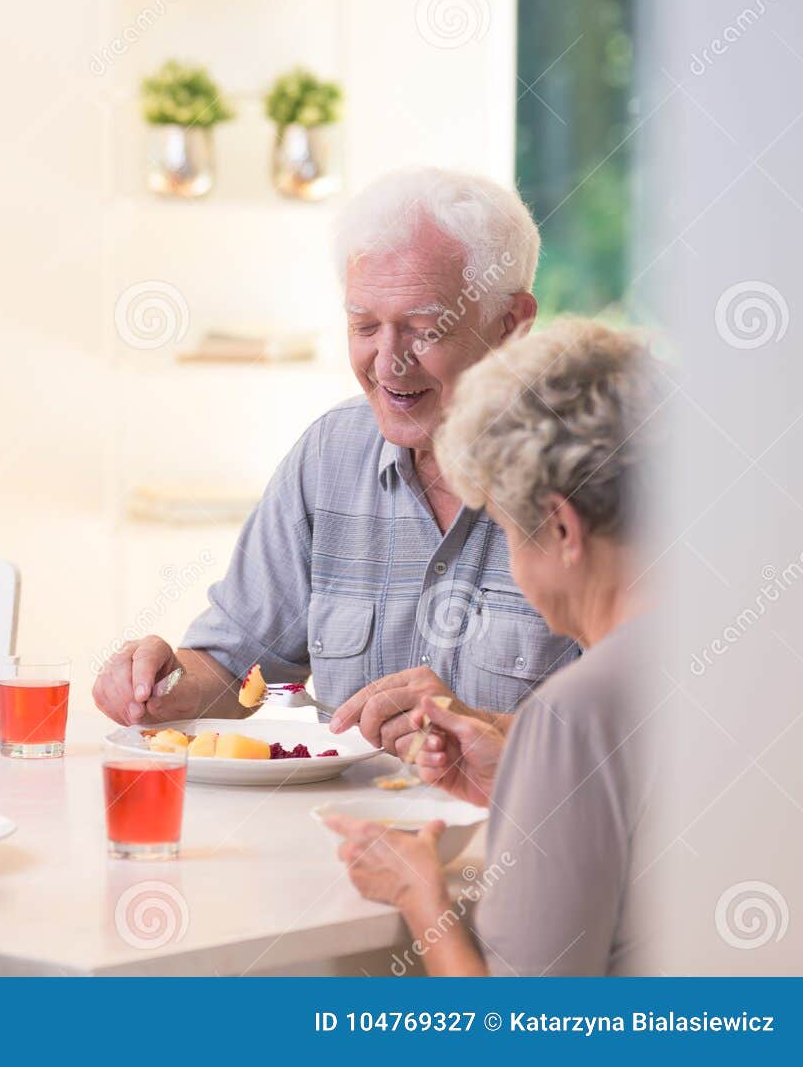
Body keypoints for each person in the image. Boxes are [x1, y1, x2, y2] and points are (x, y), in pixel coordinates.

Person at [93, 168, 579, 751]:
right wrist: (167, 684)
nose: (388, 363)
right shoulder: (331, 455)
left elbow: (656, 732)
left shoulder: (597, 476)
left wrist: (488, 733)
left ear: (510, 324)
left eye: (425, 329)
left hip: (518, 813)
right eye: (364, 325)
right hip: (353, 813)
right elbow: (234, 670)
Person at [323, 318, 662, 975]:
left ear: (561, 528)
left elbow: (519, 1026)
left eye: (508, 531)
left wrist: (418, 894)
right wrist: (523, 782)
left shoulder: (579, 709)